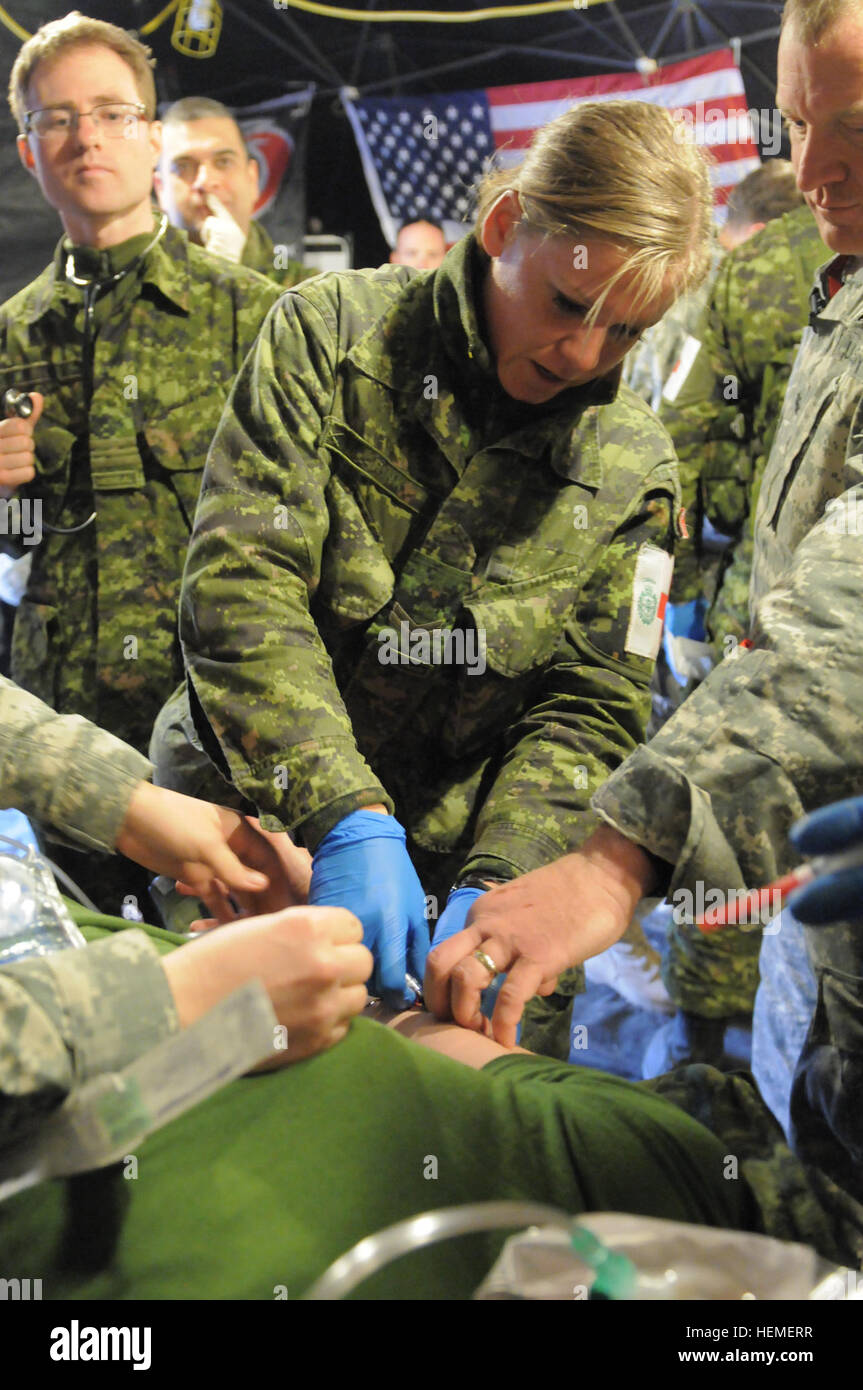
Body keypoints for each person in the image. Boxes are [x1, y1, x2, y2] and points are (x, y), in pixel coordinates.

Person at [424, 0, 863, 1233]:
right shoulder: (845, 285)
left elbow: (847, 616)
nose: (810, 169)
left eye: (854, 129)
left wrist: (621, 852)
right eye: (790, 121)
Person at [153, 99, 714, 1015]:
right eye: (569, 305)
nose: (583, 353)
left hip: (467, 876)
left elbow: (586, 701)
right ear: (503, 229)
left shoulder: (631, 463)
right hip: (254, 825)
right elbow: (241, 588)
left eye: (625, 332)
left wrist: (502, 879)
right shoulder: (331, 338)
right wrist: (345, 817)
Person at [0, 12, 280, 914]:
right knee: (96, 971)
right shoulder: (10, 338)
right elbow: (13, 549)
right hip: (62, 732)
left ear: (151, 137)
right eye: (57, 118)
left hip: (217, 724)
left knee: (237, 994)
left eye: (114, 113)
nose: (87, 136)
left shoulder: (253, 316)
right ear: (28, 149)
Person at [155, 95, 315, 290]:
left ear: (252, 179)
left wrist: (233, 279)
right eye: (183, 166)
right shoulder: (134, 286)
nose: (205, 181)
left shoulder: (302, 289)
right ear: (160, 188)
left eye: (223, 162)